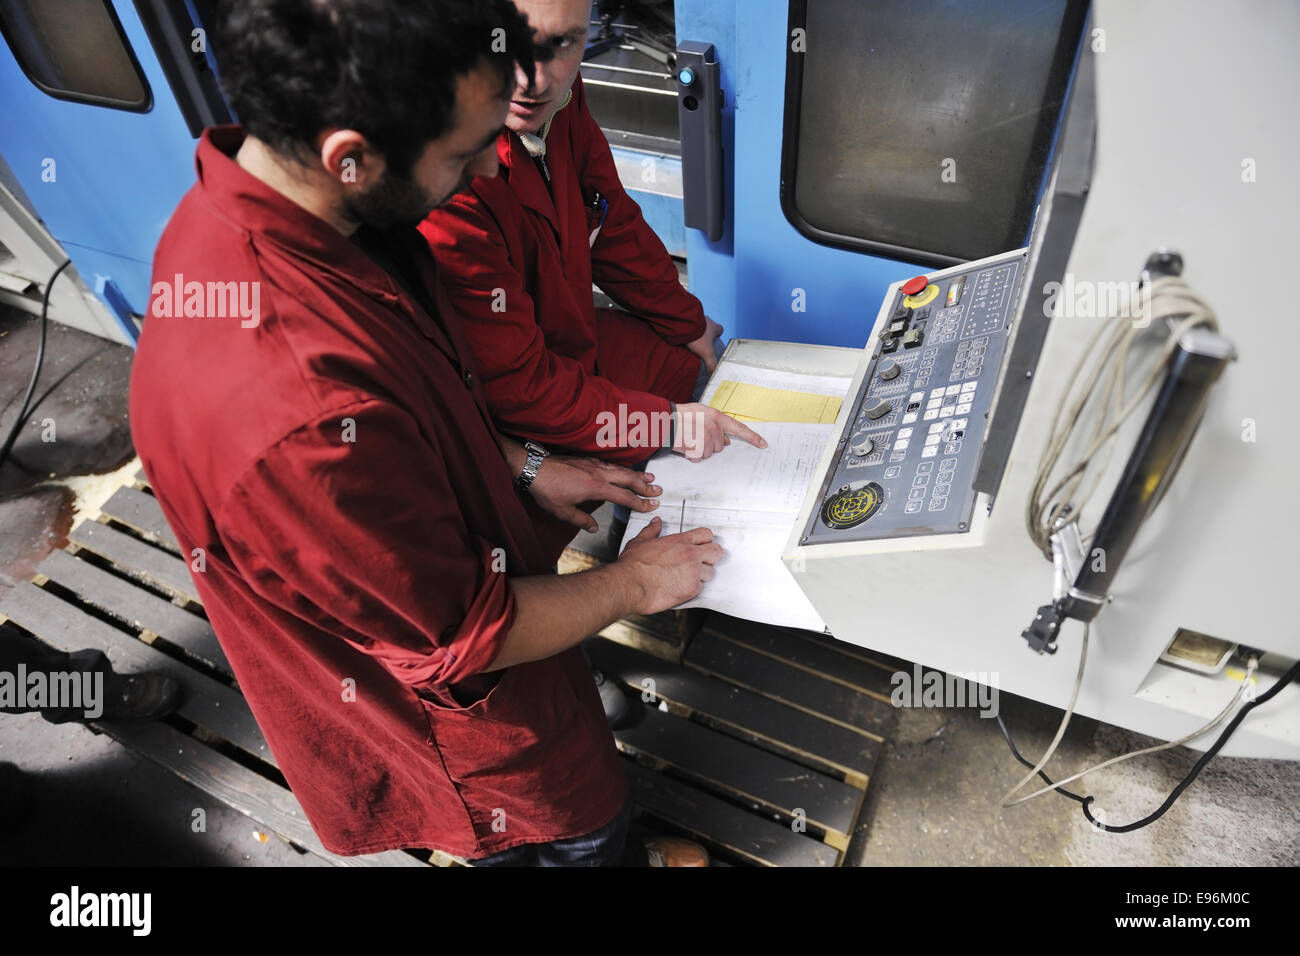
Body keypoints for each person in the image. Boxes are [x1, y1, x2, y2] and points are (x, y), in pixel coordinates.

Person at [128, 0, 715, 867]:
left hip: (465, 583)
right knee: (564, 816)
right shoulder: (300, 416)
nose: (488, 171)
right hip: (455, 710)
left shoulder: (299, 208)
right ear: (351, 158)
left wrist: (523, 466)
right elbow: (462, 639)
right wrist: (631, 585)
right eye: (465, 152)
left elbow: (428, 397)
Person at [419, 0, 765, 467]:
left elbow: (609, 216)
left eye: (561, 43)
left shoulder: (558, 99)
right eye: (506, 43)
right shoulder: (449, 180)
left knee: (703, 364)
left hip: (571, 344)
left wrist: (686, 321)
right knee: (665, 452)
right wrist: (665, 425)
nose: (534, 79)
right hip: (501, 414)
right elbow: (520, 389)